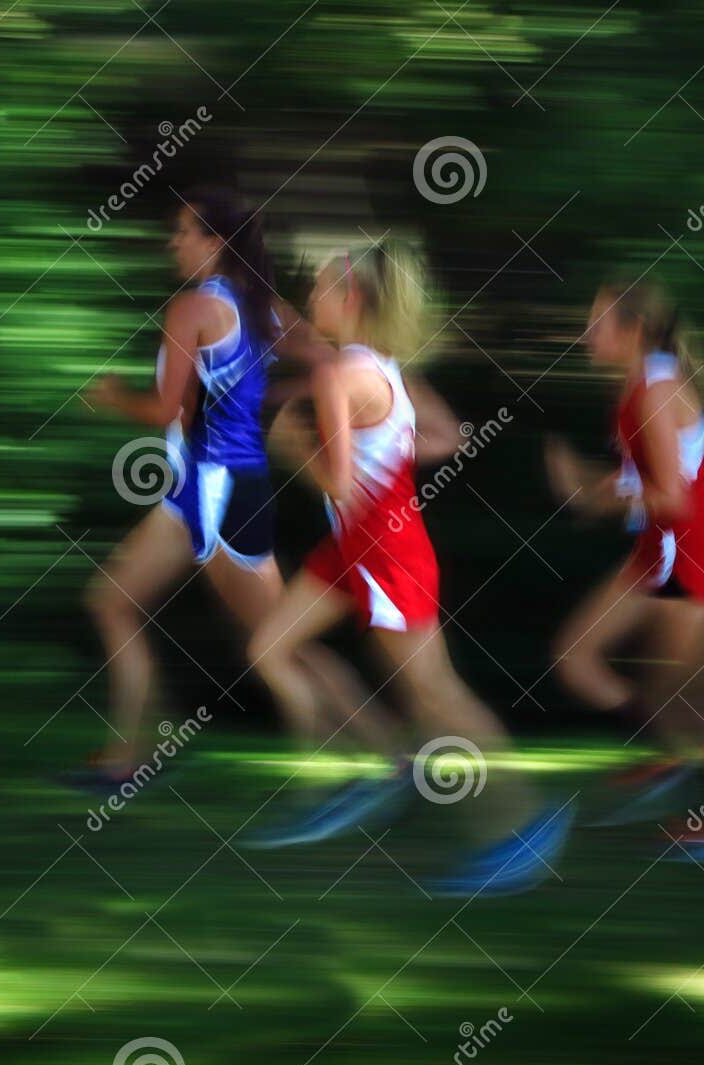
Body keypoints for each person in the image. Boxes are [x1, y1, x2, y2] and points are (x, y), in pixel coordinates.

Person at [245, 239, 570, 894]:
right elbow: (411, 444)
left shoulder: (340, 375)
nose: (312, 301)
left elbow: (335, 483)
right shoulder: (378, 365)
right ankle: (367, 775)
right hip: (354, 548)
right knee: (271, 647)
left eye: (321, 290)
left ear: (352, 298)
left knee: (434, 695)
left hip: (384, 554)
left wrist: (287, 446)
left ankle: (520, 825)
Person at [74, 185, 342, 790]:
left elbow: (167, 409)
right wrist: (268, 399)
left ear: (214, 243)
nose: (173, 243)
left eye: (183, 233)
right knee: (112, 601)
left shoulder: (193, 309)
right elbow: (328, 364)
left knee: (278, 640)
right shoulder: (263, 306)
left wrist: (116, 397)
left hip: (214, 491)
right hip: (203, 489)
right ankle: (129, 753)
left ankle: (373, 758)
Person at [545, 278, 704, 818]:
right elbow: (644, 483)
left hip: (690, 561)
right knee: (577, 660)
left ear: (633, 330)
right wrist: (585, 485)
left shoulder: (655, 391)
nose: (586, 335)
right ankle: (686, 767)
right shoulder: (638, 386)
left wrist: (589, 496)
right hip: (658, 557)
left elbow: (673, 501)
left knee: (685, 704)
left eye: (598, 324)